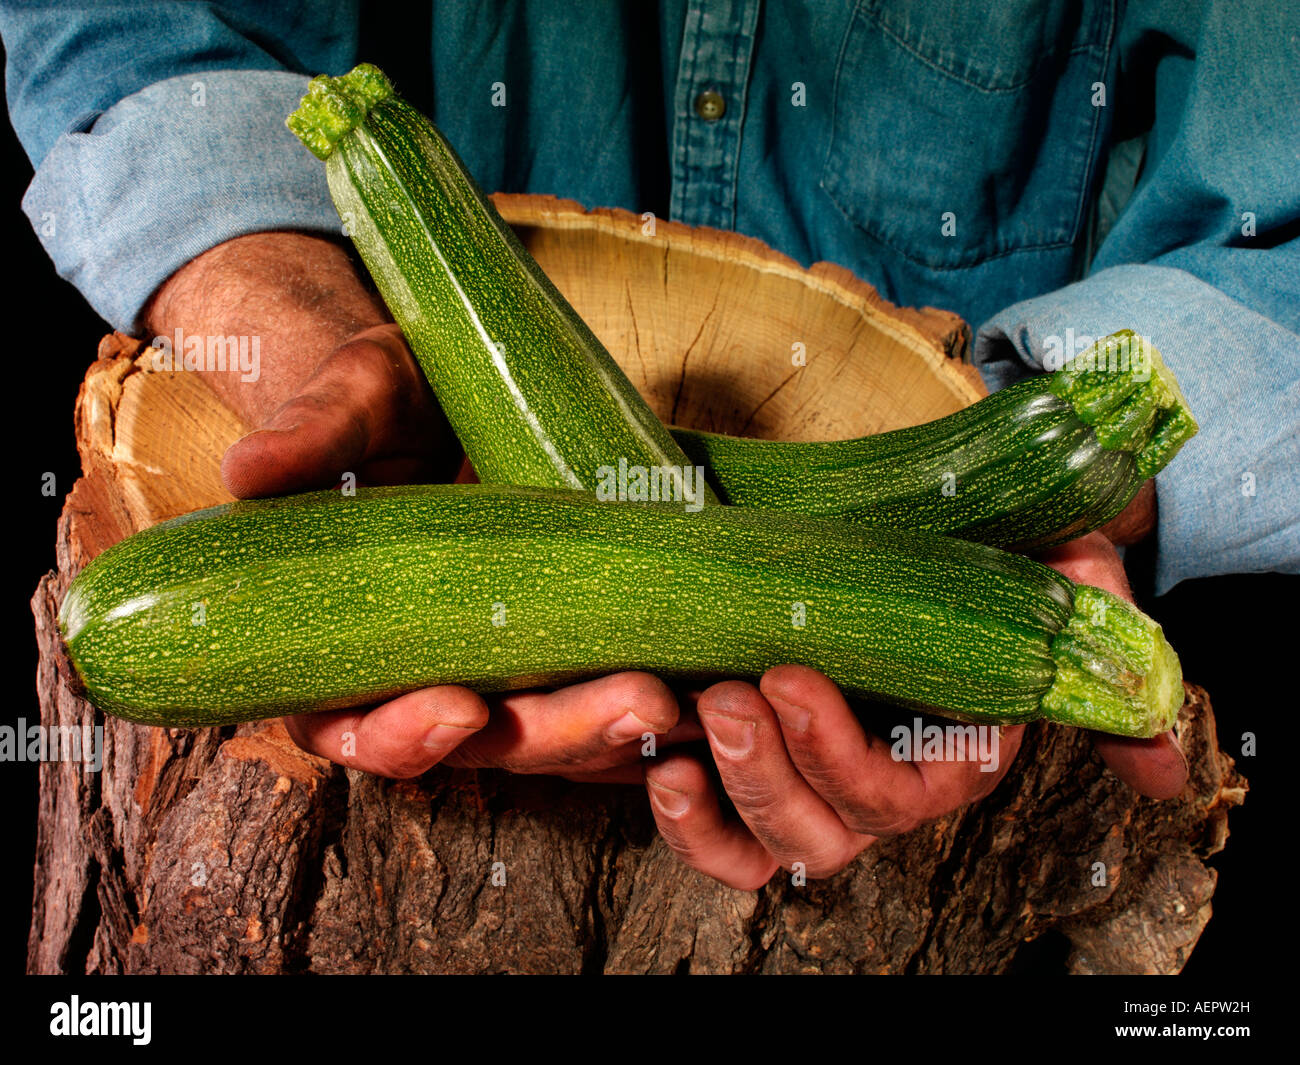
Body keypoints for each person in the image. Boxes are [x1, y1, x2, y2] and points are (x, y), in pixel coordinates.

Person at [3, 1, 1295, 890]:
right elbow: (131, 23)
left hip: (975, 392)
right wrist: (282, 292)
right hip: (448, 341)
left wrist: (1098, 441)